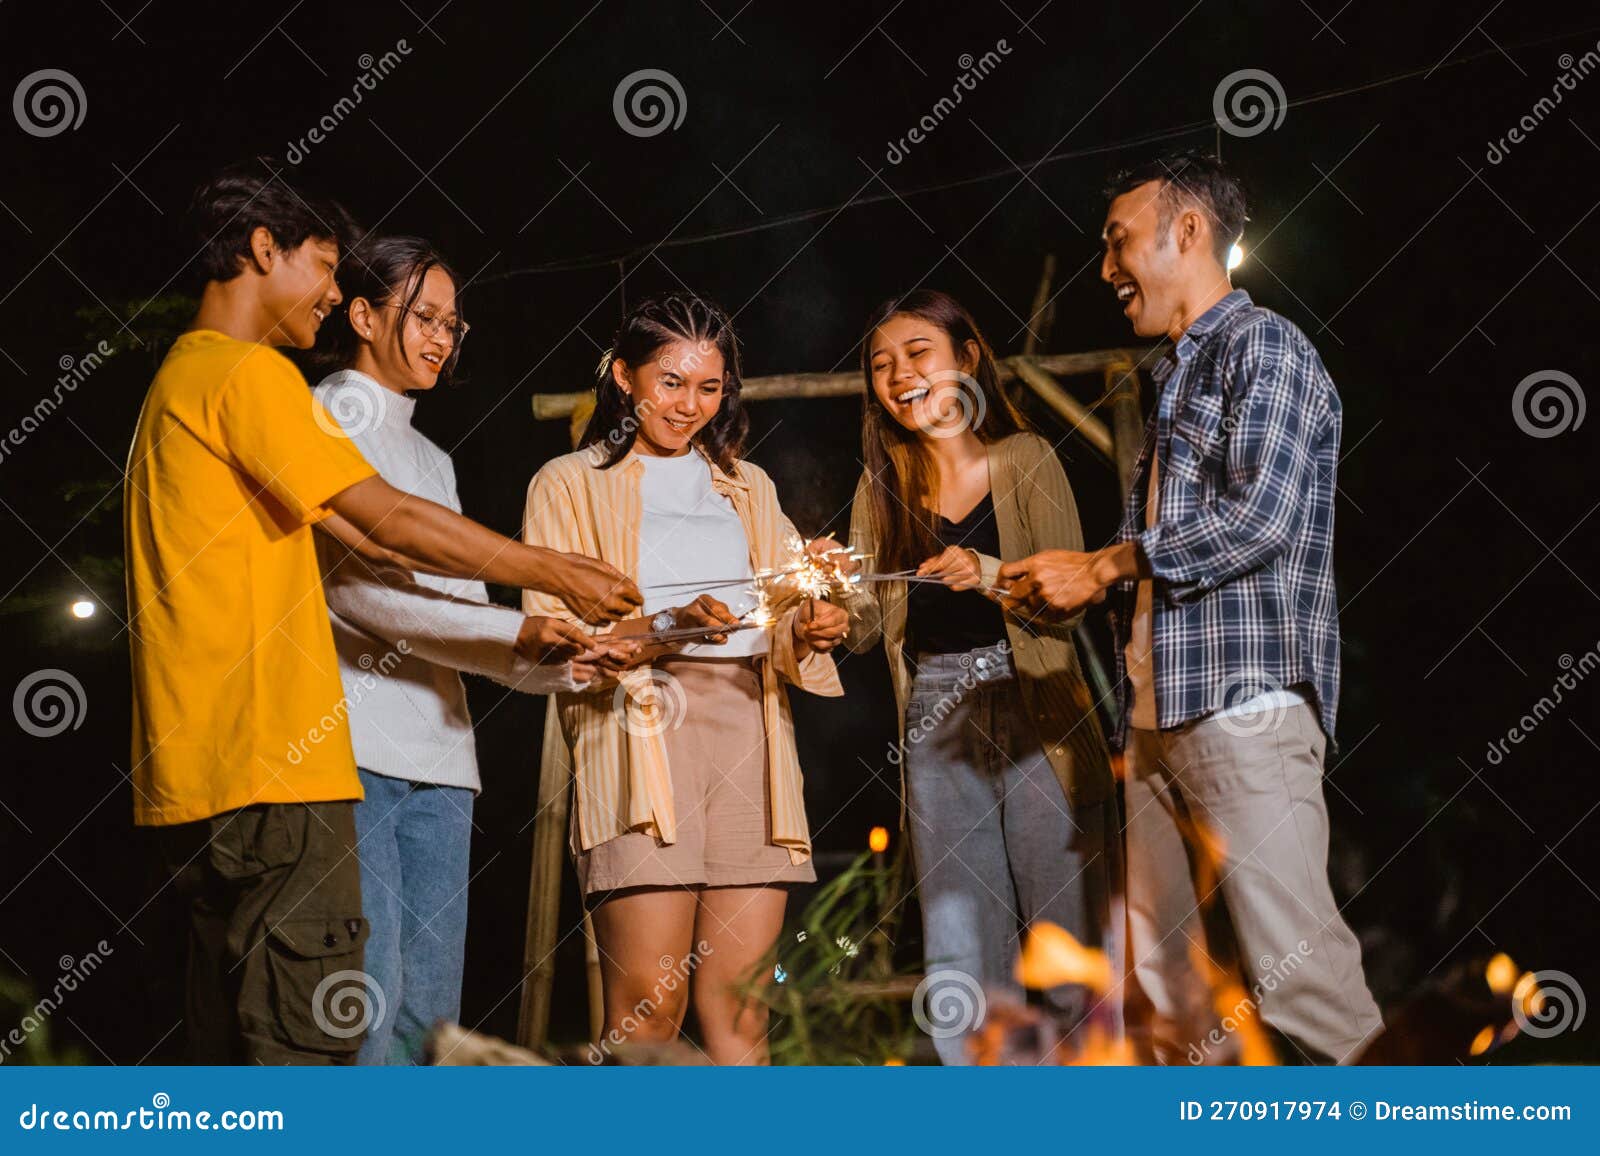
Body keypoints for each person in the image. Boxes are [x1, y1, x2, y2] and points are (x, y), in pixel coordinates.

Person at [125, 162, 640, 1065]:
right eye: (325, 269)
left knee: (325, 1031)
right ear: (261, 250)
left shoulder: (190, 380)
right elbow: (382, 534)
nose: (332, 293)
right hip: (276, 759)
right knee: (325, 1039)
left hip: (221, 768)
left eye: (454, 321)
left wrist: (558, 650)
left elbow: (408, 553)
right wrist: (549, 571)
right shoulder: (254, 379)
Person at [997, 152, 1384, 1064]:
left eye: (1117, 242)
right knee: (1171, 1009)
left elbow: (1258, 521)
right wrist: (1075, 585)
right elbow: (1162, 569)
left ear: (1187, 232)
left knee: (1303, 985)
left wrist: (1101, 567)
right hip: (1158, 721)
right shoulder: (1174, 376)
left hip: (1244, 710)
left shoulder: (1268, 349)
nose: (1105, 269)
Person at [310, 234, 634, 1064]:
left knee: (429, 1024)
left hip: (446, 764)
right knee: (364, 1009)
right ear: (361, 312)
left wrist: (559, 661)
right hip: (351, 750)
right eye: (424, 317)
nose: (441, 339)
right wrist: (520, 625)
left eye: (454, 326)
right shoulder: (321, 415)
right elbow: (362, 597)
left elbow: (462, 619)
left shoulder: (432, 458)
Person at [522, 291, 849, 1064]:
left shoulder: (750, 487)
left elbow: (787, 610)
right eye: (670, 381)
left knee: (740, 1013)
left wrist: (814, 624)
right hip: (638, 739)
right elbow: (551, 645)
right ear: (625, 377)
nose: (690, 404)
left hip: (750, 736)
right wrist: (668, 629)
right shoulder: (566, 483)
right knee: (647, 1013)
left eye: (709, 387)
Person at [822, 289, 1119, 1065]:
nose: (899, 375)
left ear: (968, 358)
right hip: (934, 715)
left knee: (1067, 930)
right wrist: (825, 605)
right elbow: (864, 626)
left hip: (1037, 710)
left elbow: (1069, 602)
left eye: (919, 353)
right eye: (881, 365)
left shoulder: (1027, 459)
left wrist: (984, 571)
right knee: (962, 943)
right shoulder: (878, 485)